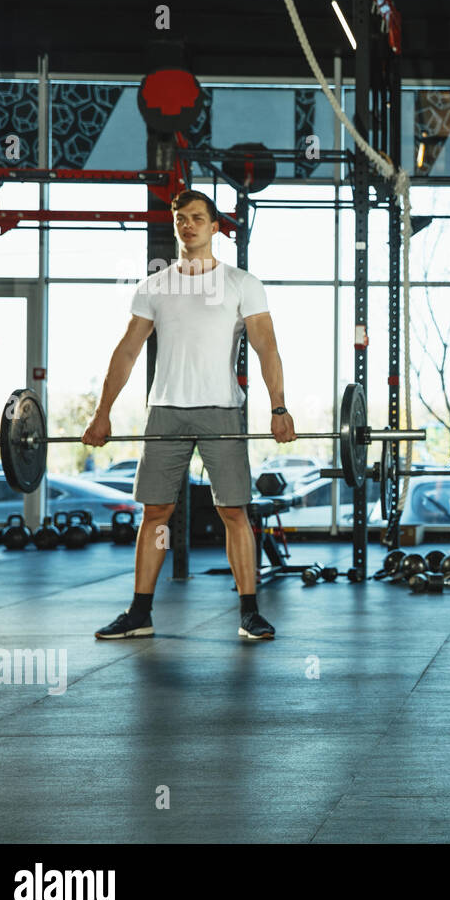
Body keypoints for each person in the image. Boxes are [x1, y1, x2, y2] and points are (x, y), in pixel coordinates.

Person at [84, 189, 294, 642]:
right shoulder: (154, 286)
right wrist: (102, 413)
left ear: (215, 227)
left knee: (233, 510)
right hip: (165, 411)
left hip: (222, 410)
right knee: (155, 511)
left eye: (198, 218)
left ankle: (249, 612)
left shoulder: (242, 283)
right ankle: (140, 612)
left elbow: (267, 348)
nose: (188, 225)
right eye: (181, 218)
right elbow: (126, 351)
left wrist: (279, 407)